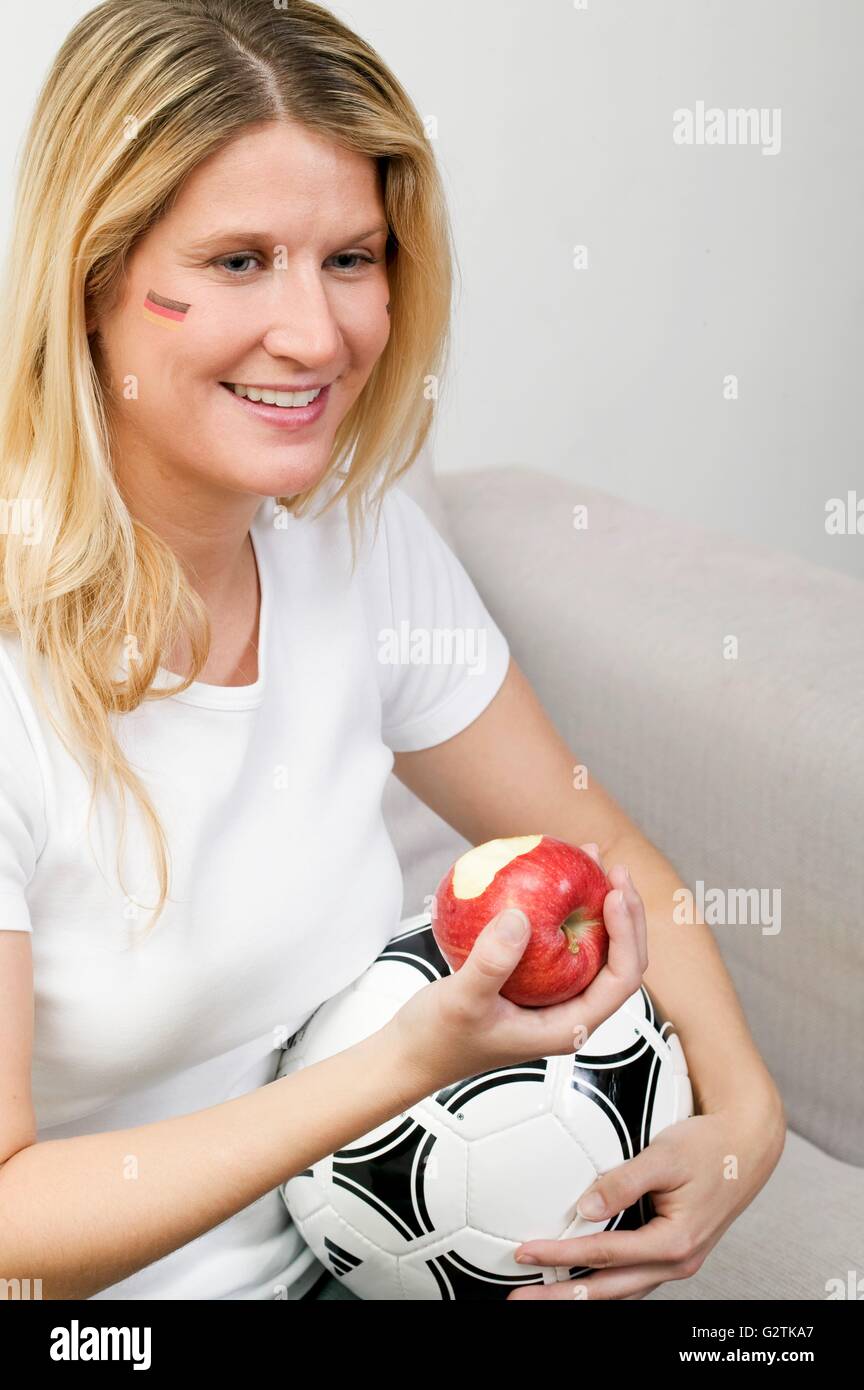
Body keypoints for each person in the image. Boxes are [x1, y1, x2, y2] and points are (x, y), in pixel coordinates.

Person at [0, 0, 785, 1303]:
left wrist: (743, 1123)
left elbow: (604, 852)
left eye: (352, 258)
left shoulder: (358, 556)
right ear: (89, 276)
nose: (317, 335)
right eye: (241, 260)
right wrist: (405, 1062)